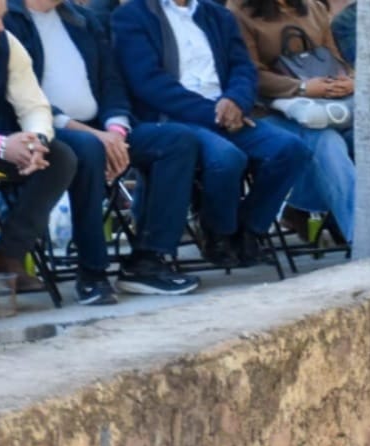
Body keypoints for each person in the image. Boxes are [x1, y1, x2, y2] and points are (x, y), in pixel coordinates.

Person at [5, 0, 200, 302]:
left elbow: (111, 81)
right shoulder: (8, 19)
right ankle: (92, 273)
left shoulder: (81, 18)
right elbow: (25, 100)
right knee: (89, 149)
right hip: (44, 131)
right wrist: (96, 136)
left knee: (176, 140)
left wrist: (116, 131)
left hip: (101, 128)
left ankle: (148, 260)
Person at [111, 0, 312, 267]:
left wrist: (236, 101)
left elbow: (243, 68)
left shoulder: (216, 14)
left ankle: (249, 229)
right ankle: (219, 234)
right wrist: (215, 114)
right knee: (225, 158)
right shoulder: (133, 15)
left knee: (291, 149)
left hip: (230, 112)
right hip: (175, 118)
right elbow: (147, 82)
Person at [231, 0, 355, 243]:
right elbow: (249, 73)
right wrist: (301, 88)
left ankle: (306, 206)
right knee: (325, 141)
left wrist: (350, 81)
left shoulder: (313, 7)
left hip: (326, 106)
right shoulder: (239, 12)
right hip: (269, 111)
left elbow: (334, 58)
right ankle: (362, 237)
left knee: (363, 137)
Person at [0, 0, 75, 293]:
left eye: (2, 18)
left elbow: (34, 105)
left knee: (59, 157)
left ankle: (7, 256)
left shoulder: (6, 44)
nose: (0, 27)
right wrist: (1, 147)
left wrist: (36, 140)